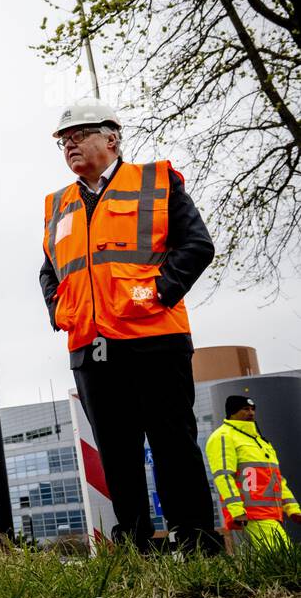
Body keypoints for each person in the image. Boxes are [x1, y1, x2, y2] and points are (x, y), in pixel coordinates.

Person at [39, 97, 221, 554]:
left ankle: (195, 537)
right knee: (116, 451)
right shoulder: (59, 205)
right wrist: (62, 311)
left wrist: (154, 293)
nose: (70, 146)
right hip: (91, 347)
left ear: (111, 138)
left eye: (78, 136)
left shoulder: (155, 184)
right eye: (63, 141)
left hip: (154, 339)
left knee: (172, 442)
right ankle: (136, 542)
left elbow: (197, 245)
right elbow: (50, 272)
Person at [206, 395, 300, 551]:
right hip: (251, 512)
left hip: (271, 513)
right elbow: (223, 476)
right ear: (232, 412)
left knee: (273, 560)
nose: (251, 413)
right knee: (283, 556)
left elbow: (277, 480)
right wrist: (236, 510)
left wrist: (293, 509)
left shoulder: (261, 441)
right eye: (245, 409)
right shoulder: (223, 436)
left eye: (252, 409)